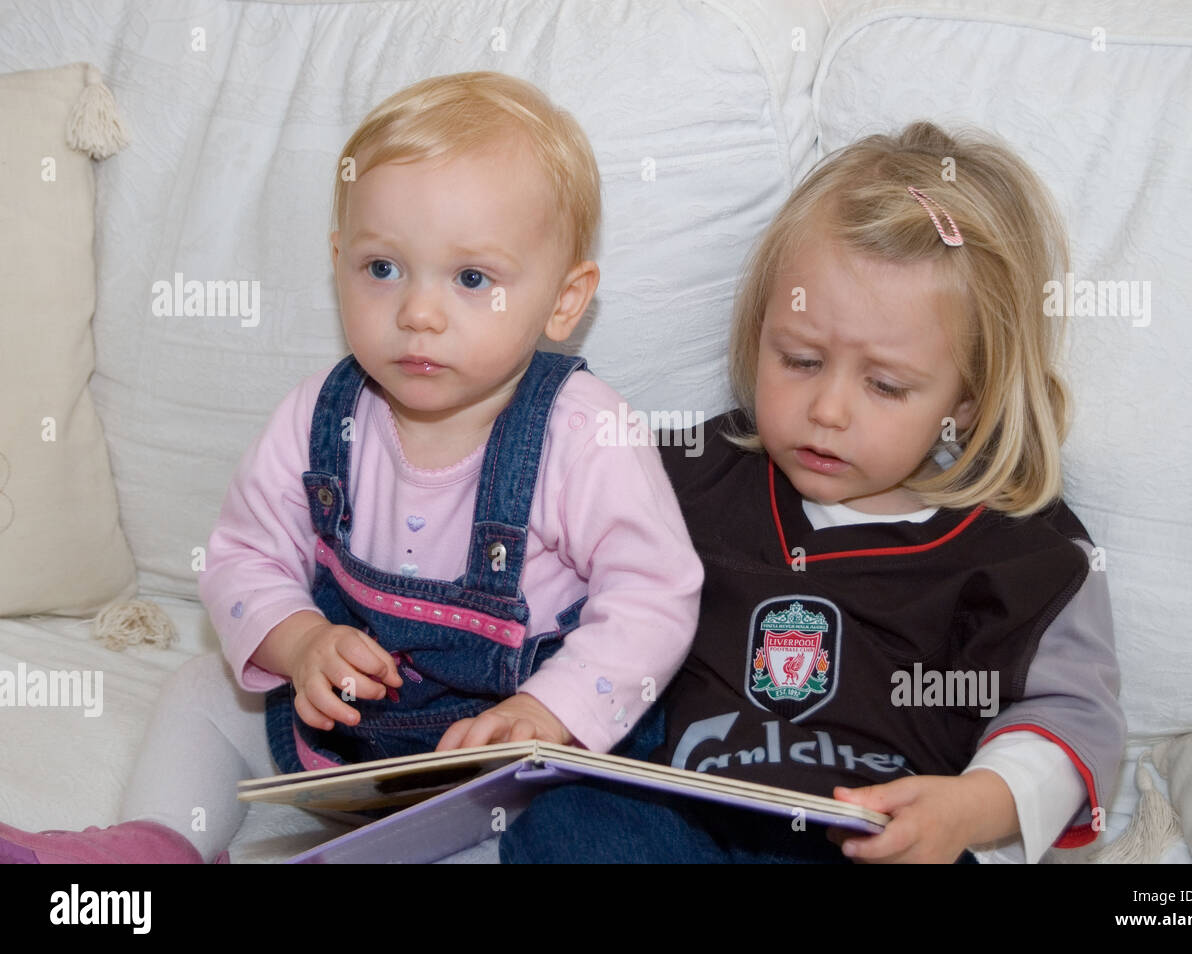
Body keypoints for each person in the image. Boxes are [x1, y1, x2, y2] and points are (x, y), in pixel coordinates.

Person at [0, 71, 702, 864]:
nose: (418, 313)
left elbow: (655, 594)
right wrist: (299, 641)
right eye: (382, 268)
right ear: (339, 262)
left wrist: (552, 711)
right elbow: (243, 557)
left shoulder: (585, 434)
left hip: (509, 770)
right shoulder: (317, 417)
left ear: (565, 300)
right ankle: (157, 846)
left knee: (581, 827)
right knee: (202, 694)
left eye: (472, 279)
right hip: (343, 744)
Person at [499, 121, 1124, 864]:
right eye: (798, 360)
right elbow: (552, 565)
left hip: (868, 842)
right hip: (682, 819)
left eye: (886, 385)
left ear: (968, 398)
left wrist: (969, 810)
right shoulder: (682, 475)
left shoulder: (1025, 552)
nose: (828, 410)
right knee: (566, 825)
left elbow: (1073, 717)